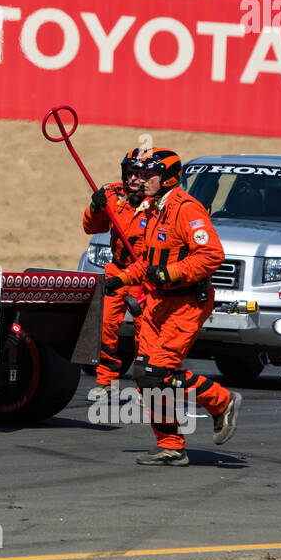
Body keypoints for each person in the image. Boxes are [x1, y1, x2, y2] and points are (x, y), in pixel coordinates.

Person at [104, 150, 242, 465]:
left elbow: (211, 255)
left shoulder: (186, 209)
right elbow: (150, 262)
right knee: (144, 375)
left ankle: (221, 401)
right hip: (156, 303)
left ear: (167, 177)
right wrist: (122, 279)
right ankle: (170, 446)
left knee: (159, 372)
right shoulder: (153, 208)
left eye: (147, 174)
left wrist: (172, 273)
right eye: (136, 173)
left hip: (186, 303)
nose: (138, 179)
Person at [81, 150, 150, 396]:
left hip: (146, 277)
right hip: (117, 270)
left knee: (147, 337)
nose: (133, 179)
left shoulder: (161, 205)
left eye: (140, 174)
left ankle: (146, 390)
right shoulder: (112, 194)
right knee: (103, 327)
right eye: (130, 173)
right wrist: (94, 207)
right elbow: (92, 227)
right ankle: (105, 382)